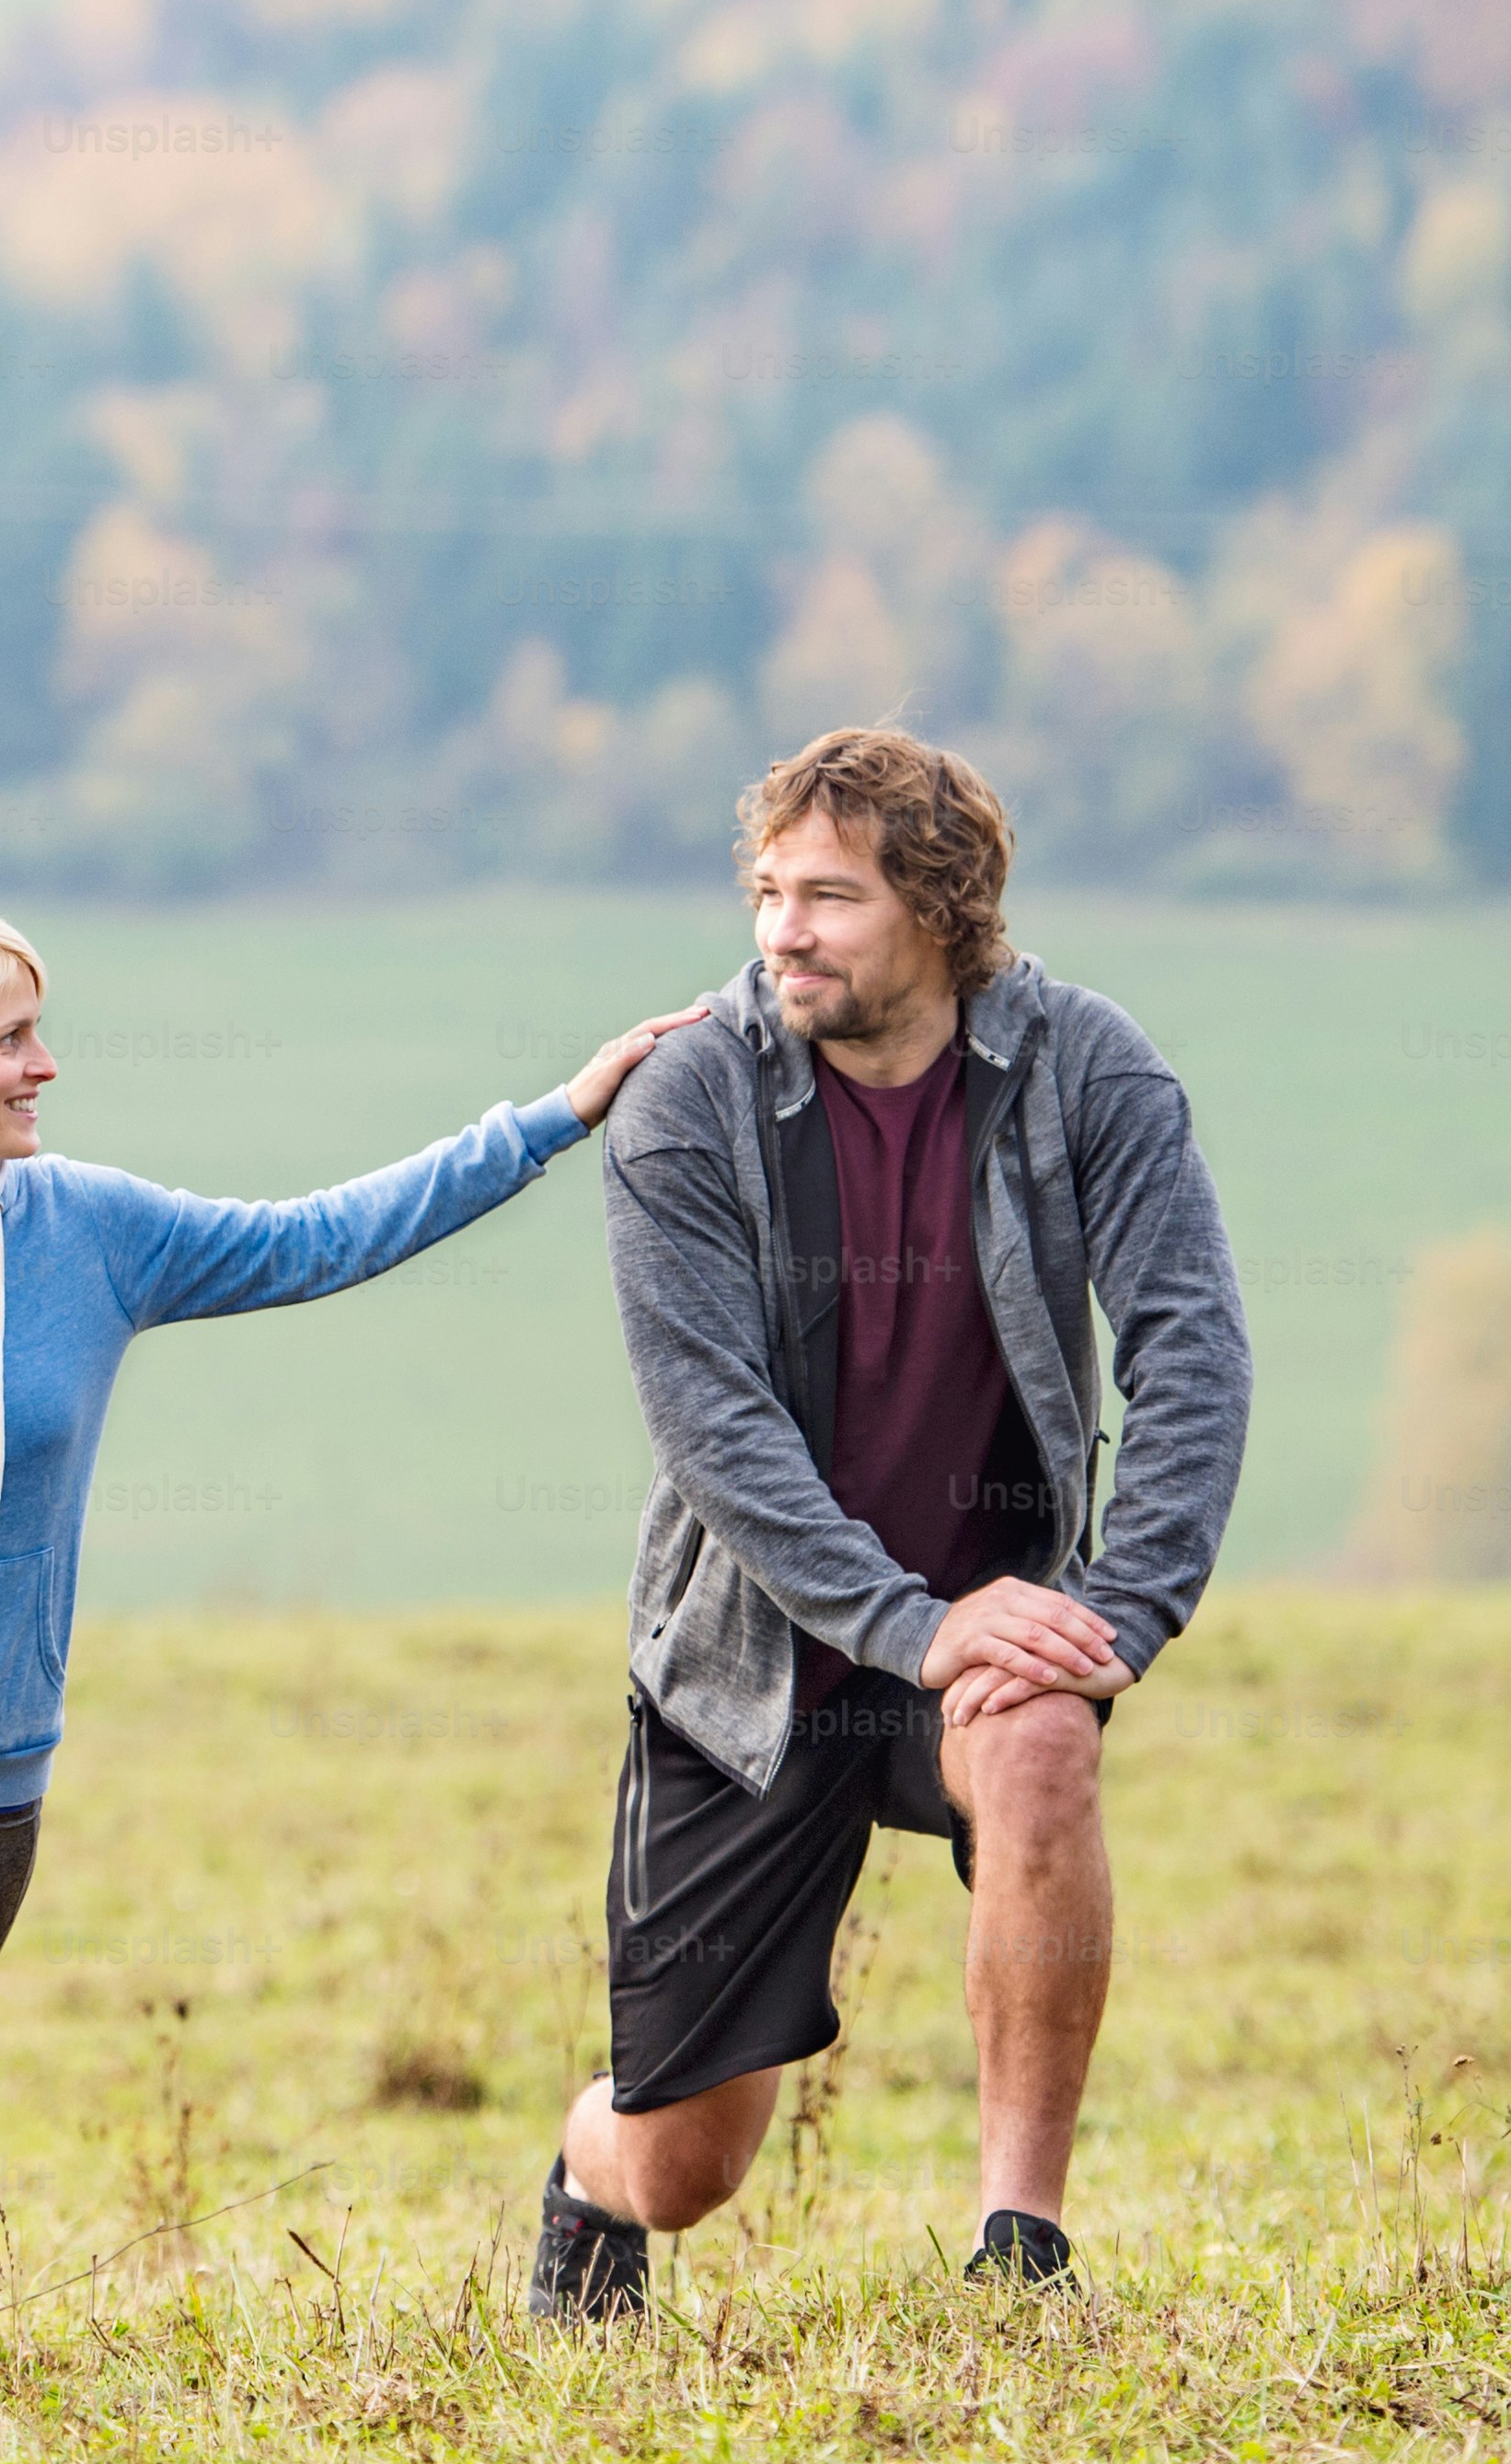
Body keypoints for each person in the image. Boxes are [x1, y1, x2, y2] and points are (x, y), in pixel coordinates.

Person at [0, 884, 699, 2426]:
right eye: (13, 1039)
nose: (45, 1066)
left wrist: (558, 1116)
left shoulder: (86, 1231)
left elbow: (322, 1239)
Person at [530, 727, 1251, 2317]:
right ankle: (587, 2168)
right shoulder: (688, 1104)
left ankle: (1021, 2250)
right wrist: (914, 1626)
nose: (782, 930)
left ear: (940, 908)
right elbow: (717, 1429)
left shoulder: (1090, 1070)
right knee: (687, 2167)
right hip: (749, 1662)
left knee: (1046, 1725)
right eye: (770, 892)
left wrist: (1120, 1612)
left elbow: (1189, 1341)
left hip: (987, 1626)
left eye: (831, 898)